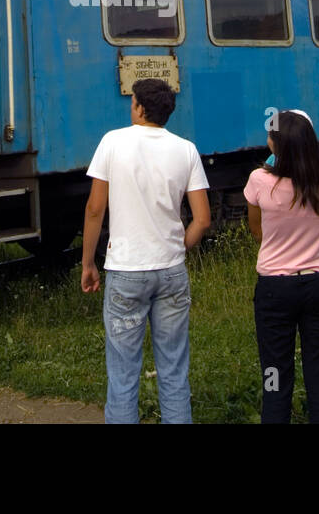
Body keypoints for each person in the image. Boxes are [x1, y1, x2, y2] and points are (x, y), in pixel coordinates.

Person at [81, 78, 211, 424]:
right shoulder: (186, 149)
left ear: (139, 107)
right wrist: (175, 248)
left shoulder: (112, 142)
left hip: (125, 271)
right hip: (171, 272)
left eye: (132, 102)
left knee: (123, 374)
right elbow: (202, 220)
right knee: (172, 367)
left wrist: (88, 263)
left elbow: (95, 209)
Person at [244, 109, 319, 423]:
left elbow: (256, 229)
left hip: (275, 292)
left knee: (274, 375)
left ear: (277, 146)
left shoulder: (260, 181)